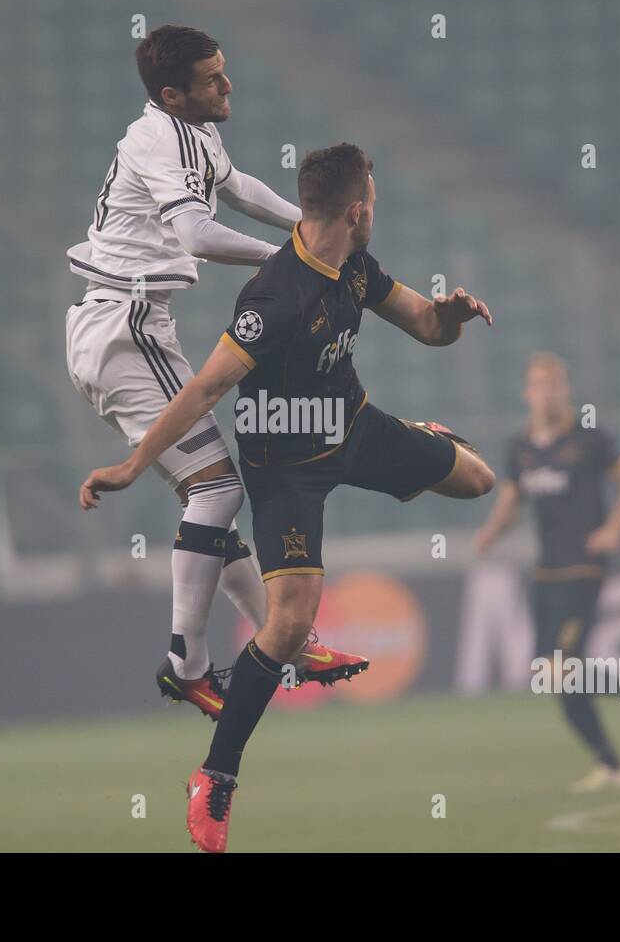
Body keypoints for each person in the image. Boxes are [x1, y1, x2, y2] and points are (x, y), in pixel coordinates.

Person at [81, 143, 496, 851]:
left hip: (356, 428)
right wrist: (134, 461)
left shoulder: (355, 268)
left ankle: (423, 439)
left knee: (478, 481)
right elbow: (207, 386)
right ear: (357, 211)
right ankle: (215, 778)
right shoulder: (274, 297)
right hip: (285, 470)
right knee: (291, 622)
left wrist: (452, 314)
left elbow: (428, 326)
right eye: (375, 206)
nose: (376, 217)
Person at [65, 26, 369, 721]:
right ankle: (186, 662)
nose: (227, 85)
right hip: (124, 325)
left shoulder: (191, 134)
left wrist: (313, 226)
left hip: (127, 325)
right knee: (220, 489)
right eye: (212, 79)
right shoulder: (158, 140)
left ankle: (285, 639)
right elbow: (197, 235)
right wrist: (291, 261)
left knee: (209, 496)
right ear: (173, 94)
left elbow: (237, 188)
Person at [474, 352, 620, 793]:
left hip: (584, 566)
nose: (547, 392)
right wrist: (492, 533)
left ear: (566, 390)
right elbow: (512, 499)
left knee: (560, 668)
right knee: (548, 675)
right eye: (539, 384)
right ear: (527, 393)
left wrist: (614, 529)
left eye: (554, 383)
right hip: (546, 570)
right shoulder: (519, 448)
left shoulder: (591, 439)